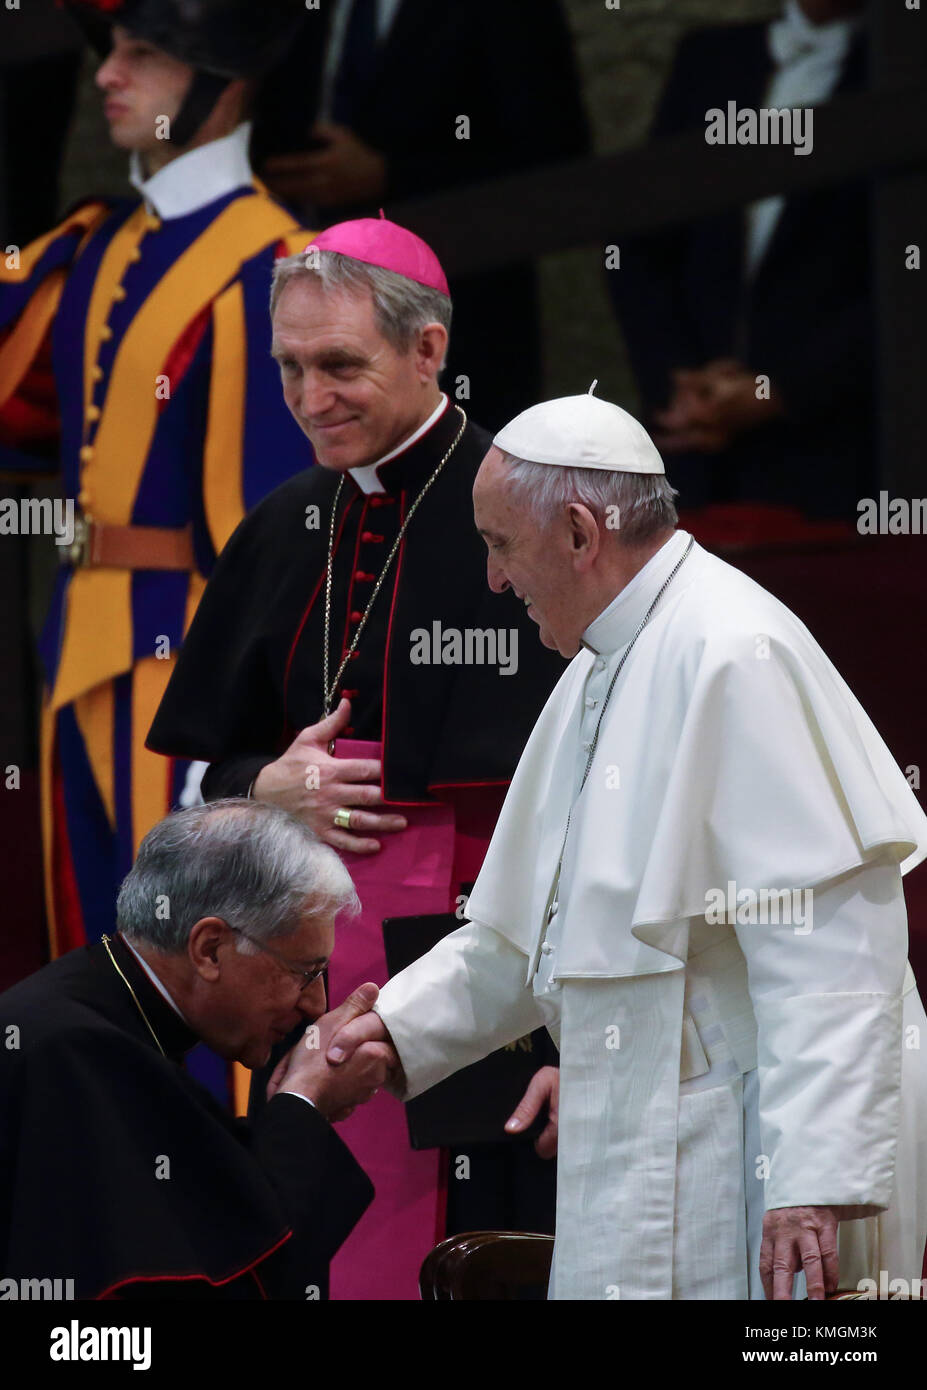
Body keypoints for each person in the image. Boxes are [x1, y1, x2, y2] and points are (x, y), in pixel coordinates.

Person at [326, 387, 927, 1300]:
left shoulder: (733, 650)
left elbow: (828, 941)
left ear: (577, 532)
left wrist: (812, 1181)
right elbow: (525, 937)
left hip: (756, 1147)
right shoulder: (598, 666)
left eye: (499, 544)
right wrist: (393, 1031)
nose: (492, 578)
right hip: (645, 1128)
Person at [146, 214, 566, 1298]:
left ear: (428, 349)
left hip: (486, 945)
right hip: (300, 952)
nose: (309, 396)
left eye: (340, 365)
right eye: (289, 367)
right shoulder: (281, 523)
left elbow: (589, 779)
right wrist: (266, 789)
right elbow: (208, 770)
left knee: (477, 1229)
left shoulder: (526, 511)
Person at [0, 0, 313, 973]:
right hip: (78, 647)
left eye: (145, 54)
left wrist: (235, 744)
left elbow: (271, 538)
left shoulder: (277, 264)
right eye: (112, 51)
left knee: (193, 966)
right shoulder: (88, 248)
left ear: (225, 83)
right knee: (97, 962)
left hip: (184, 670)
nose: (109, 74)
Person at [0, 799, 391, 1300]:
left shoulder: (106, 1008)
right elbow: (219, 1278)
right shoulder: (76, 1053)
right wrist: (306, 1102)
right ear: (210, 948)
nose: (317, 1006)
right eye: (305, 973)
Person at [251, 0, 590, 429]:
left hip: (459, 319)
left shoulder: (506, 11)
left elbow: (555, 161)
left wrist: (391, 176)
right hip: (298, 291)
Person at [608, 0, 871, 521]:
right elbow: (643, 245)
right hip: (699, 453)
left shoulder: (899, 67)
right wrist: (684, 384)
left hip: (843, 448)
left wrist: (782, 391)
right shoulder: (712, 59)